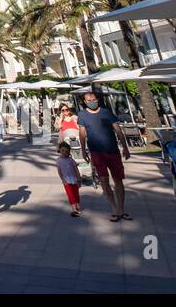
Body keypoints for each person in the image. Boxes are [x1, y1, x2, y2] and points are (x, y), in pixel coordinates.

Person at [77, 92, 131, 222]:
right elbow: (82, 133)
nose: (92, 101)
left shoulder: (106, 112)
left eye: (94, 99)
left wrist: (125, 147)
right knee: (103, 180)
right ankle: (114, 208)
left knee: (118, 180)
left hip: (112, 150)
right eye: (89, 100)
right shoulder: (82, 115)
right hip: (96, 152)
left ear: (97, 99)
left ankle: (121, 208)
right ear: (84, 101)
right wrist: (83, 151)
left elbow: (117, 129)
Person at [56, 142, 82, 217]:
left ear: (69, 152)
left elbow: (76, 170)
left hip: (74, 179)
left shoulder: (71, 160)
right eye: (63, 150)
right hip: (66, 180)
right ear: (60, 150)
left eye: (67, 151)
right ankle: (74, 209)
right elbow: (59, 171)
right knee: (70, 194)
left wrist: (79, 179)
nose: (64, 153)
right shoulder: (58, 160)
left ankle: (78, 207)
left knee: (76, 194)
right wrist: (63, 180)